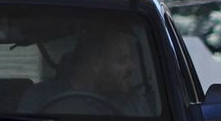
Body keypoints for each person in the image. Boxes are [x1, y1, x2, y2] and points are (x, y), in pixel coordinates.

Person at [18, 28, 149, 115]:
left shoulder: (135, 106)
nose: (133, 67)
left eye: (131, 59)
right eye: (122, 60)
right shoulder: (39, 97)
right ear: (96, 64)